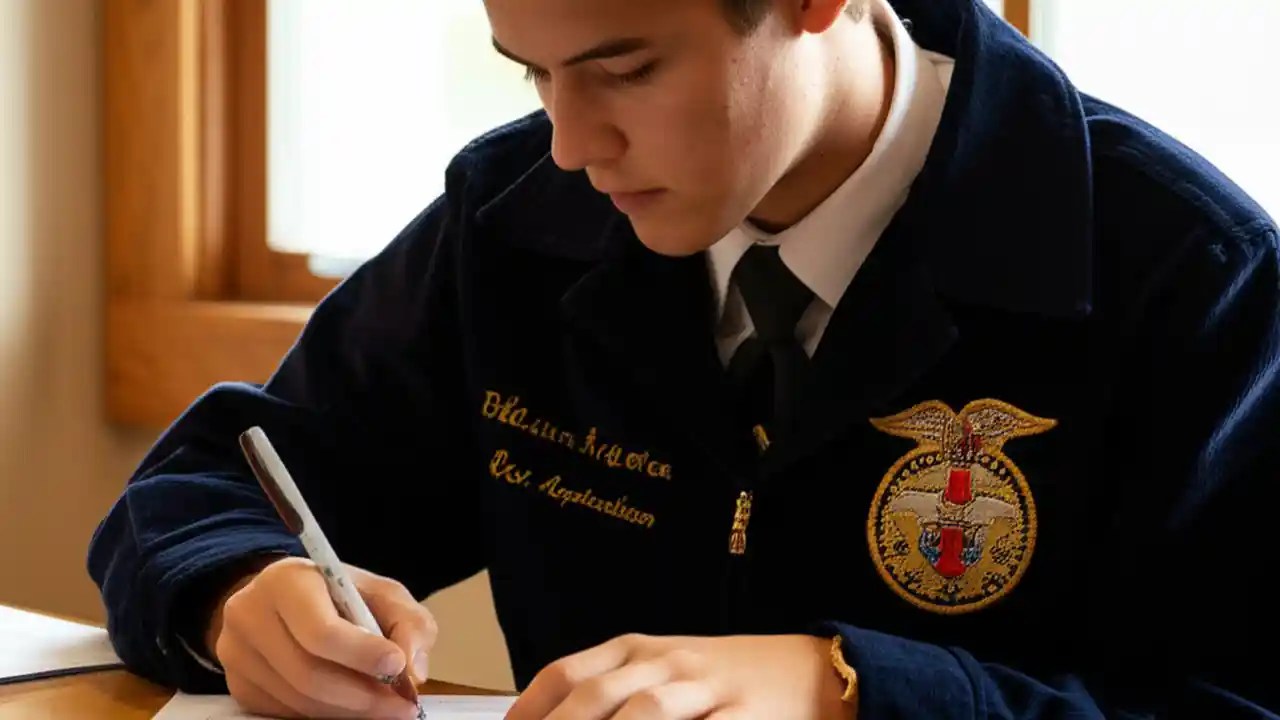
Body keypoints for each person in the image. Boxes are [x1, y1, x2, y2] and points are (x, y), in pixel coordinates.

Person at [88, 0, 1280, 717]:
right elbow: (214, 483)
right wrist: (237, 590)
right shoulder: (515, 218)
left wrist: (842, 689)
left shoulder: (1188, 273)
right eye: (531, 71)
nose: (569, 143)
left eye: (623, 69)